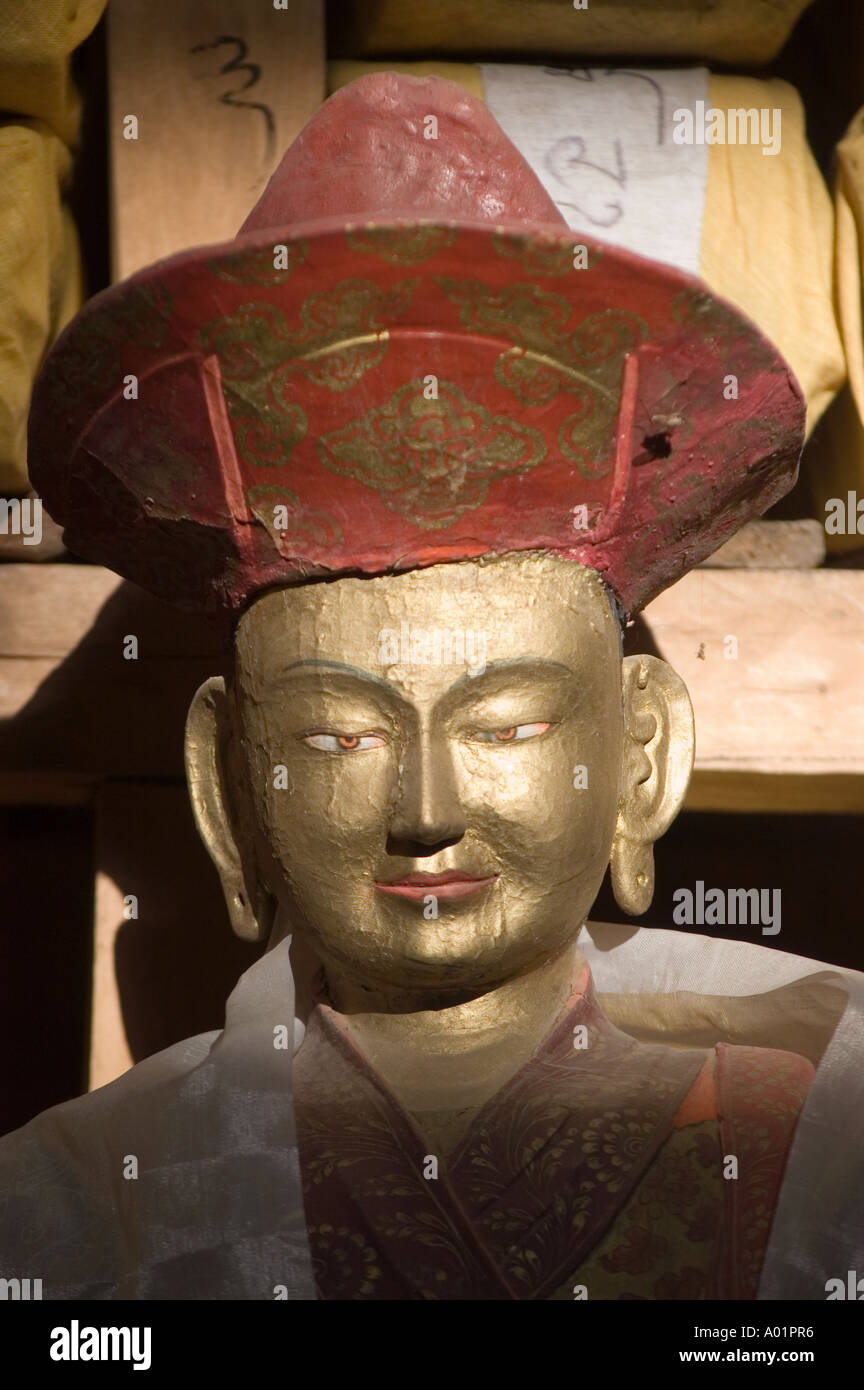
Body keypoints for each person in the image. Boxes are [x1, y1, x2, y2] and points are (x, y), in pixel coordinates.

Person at [1, 73, 861, 1301]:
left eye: (508, 718)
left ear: (641, 759)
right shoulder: (67, 1214)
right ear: (229, 789)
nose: (425, 804)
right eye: (338, 733)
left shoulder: (832, 1143)